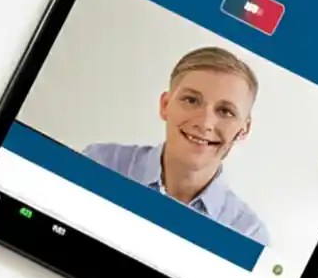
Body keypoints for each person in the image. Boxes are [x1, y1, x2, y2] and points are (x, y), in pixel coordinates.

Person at [83, 47, 270, 245]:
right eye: (191, 100)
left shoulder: (248, 235)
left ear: (244, 129)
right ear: (165, 105)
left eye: (225, 111)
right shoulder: (99, 164)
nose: (205, 123)